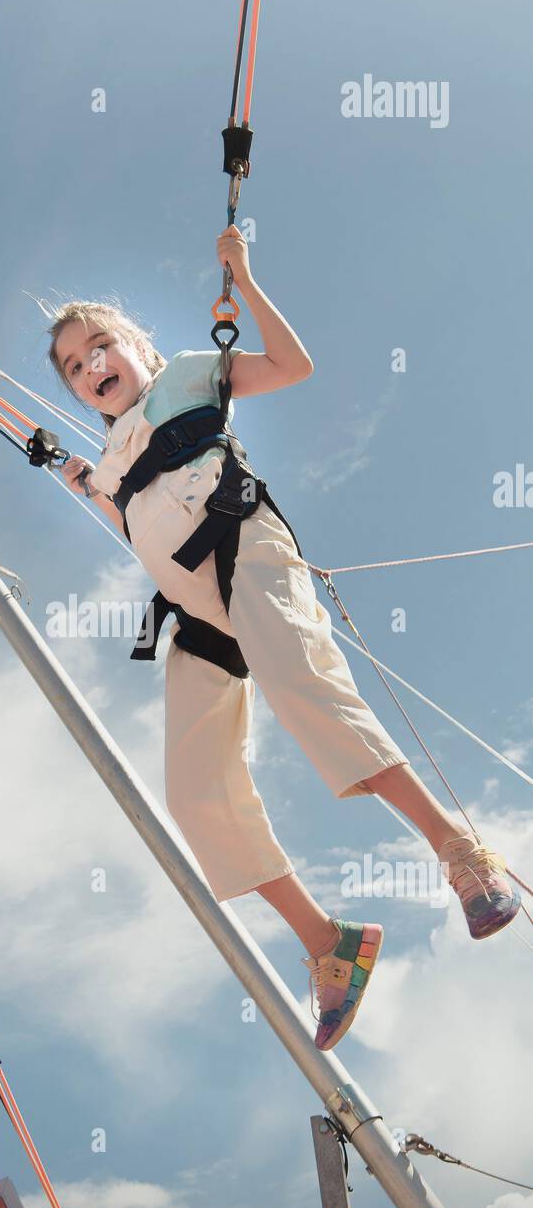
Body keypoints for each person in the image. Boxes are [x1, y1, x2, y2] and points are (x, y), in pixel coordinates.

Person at [48, 226, 521, 1052]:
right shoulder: (110, 453)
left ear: (138, 346)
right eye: (72, 367)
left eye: (99, 346)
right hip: (196, 613)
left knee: (302, 688)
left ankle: (457, 849)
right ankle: (327, 945)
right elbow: (132, 521)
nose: (90, 367)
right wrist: (83, 481)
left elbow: (293, 366)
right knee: (194, 789)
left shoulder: (193, 372)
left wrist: (245, 280)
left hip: (245, 551)